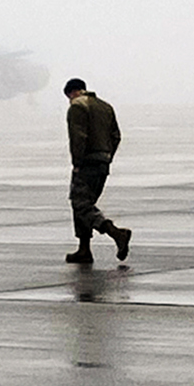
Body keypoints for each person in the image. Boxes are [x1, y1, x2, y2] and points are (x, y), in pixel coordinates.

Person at [63, 78, 131, 264]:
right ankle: (84, 250)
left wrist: (77, 163)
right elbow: (116, 136)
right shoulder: (105, 106)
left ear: (72, 92)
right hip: (102, 163)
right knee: (85, 204)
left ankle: (115, 232)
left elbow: (78, 137)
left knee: (80, 204)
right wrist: (107, 157)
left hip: (87, 163)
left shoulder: (78, 106)